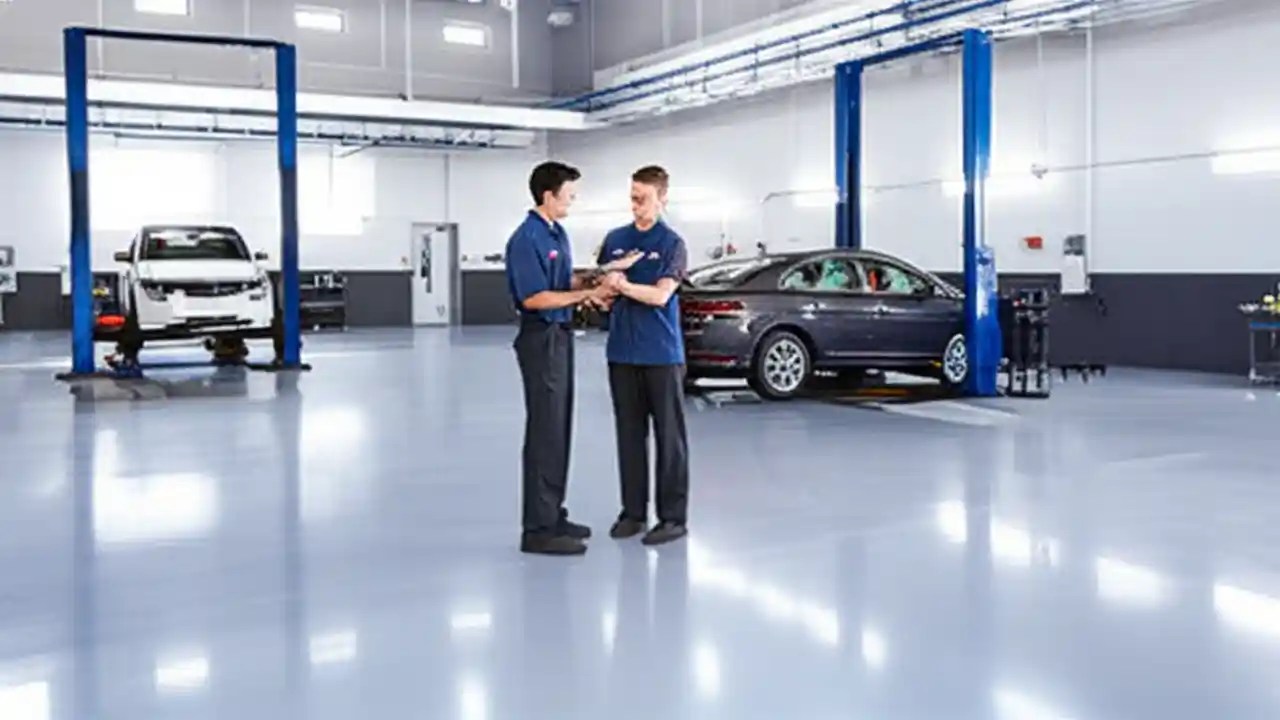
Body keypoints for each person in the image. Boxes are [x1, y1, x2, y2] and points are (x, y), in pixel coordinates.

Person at [505, 161, 616, 556]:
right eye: (569, 195)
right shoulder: (526, 238)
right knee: (544, 431)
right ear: (548, 195)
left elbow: (560, 281)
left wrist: (593, 278)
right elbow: (534, 297)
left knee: (560, 428)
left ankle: (553, 513)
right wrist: (583, 297)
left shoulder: (558, 234)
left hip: (562, 336)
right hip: (541, 338)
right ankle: (536, 529)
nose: (573, 201)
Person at [598, 165, 691, 546]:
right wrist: (605, 290)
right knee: (629, 436)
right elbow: (604, 295)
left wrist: (624, 285)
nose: (636, 206)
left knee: (669, 438)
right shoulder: (615, 240)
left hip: (661, 355)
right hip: (622, 353)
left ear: (662, 198)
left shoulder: (672, 244)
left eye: (643, 199)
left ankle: (672, 517)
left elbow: (660, 296)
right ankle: (633, 512)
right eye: (632, 198)